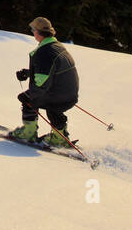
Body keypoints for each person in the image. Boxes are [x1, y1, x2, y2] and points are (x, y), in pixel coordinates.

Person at [8, 16, 79, 147]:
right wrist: (28, 73)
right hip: (68, 94)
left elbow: (41, 83)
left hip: (58, 95)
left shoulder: (45, 52)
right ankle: (60, 136)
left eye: (33, 29)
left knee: (27, 99)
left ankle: (28, 133)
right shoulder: (56, 46)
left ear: (38, 32)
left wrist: (30, 98)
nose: (32, 32)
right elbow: (50, 70)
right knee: (53, 109)